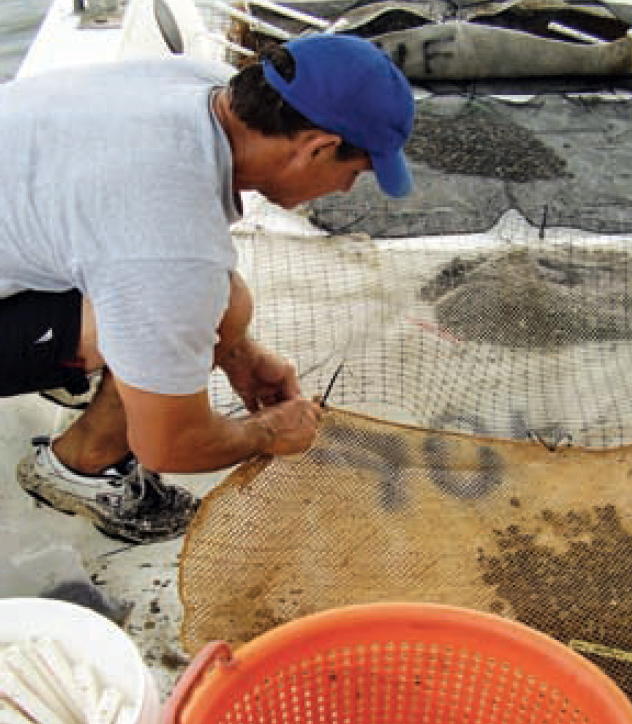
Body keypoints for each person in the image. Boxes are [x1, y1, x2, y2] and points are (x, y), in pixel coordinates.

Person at [0, 35, 415, 545]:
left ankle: (69, 358)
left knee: (217, 301)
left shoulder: (196, 82)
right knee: (179, 302)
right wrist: (271, 431)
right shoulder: (167, 236)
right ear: (317, 148)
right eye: (354, 173)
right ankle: (78, 467)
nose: (347, 189)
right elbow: (171, 446)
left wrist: (240, 356)